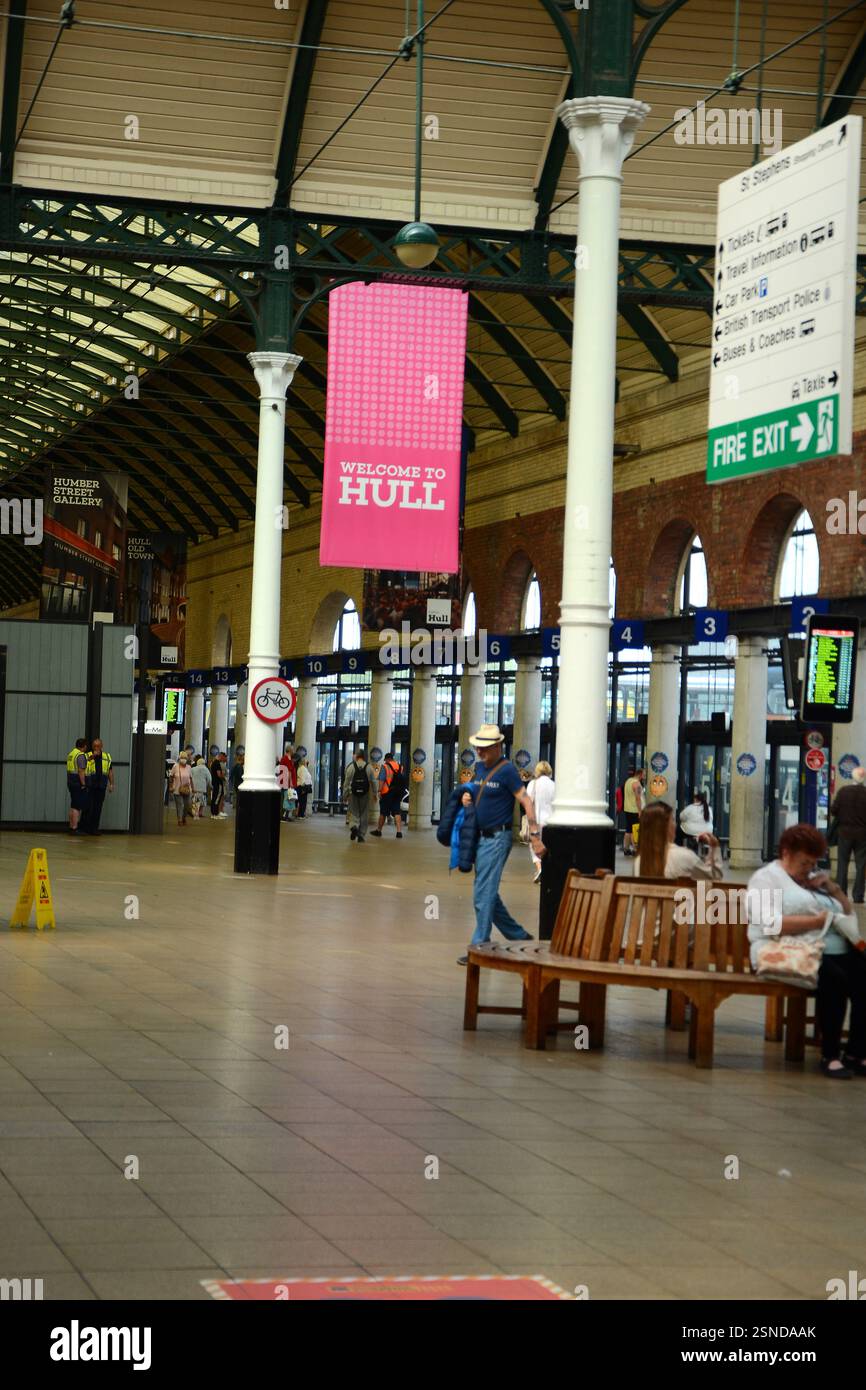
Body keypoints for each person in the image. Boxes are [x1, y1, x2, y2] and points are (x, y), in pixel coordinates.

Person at [747, 823, 866, 1078]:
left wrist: (834, 890)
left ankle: (856, 1051)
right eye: (804, 863)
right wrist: (815, 922)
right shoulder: (766, 879)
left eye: (813, 863)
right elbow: (768, 924)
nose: (808, 869)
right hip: (782, 948)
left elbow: (847, 914)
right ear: (786, 853)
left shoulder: (814, 881)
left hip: (824, 947)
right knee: (835, 979)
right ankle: (830, 1054)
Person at [456, 723, 545, 966]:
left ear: (497, 746)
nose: (479, 751)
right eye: (477, 747)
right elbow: (475, 792)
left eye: (484, 747)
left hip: (498, 838)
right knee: (487, 892)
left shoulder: (507, 771)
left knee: (482, 893)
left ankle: (480, 946)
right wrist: (467, 797)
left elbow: (526, 801)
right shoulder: (479, 768)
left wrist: (535, 836)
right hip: (480, 837)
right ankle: (518, 935)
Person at [635, 800, 723, 880]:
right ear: (666, 827)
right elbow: (715, 877)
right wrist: (714, 848)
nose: (675, 824)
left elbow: (682, 816)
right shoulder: (685, 856)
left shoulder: (638, 862)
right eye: (673, 820)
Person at [830, 764, 866, 903]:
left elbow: (834, 810)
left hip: (844, 833)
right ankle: (858, 896)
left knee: (842, 863)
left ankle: (841, 893)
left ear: (852, 777)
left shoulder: (843, 791)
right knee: (861, 865)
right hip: (862, 835)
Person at [526, 760, 554, 883]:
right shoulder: (554, 785)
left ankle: (540, 868)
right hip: (550, 821)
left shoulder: (533, 784)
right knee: (547, 846)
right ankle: (546, 870)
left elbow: (528, 802)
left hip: (536, 820)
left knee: (534, 845)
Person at [80, 738, 114, 835]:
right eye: (94, 746)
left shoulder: (107, 756)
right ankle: (84, 828)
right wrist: (92, 757)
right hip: (89, 786)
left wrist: (111, 784)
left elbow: (110, 771)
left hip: (101, 786)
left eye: (98, 746)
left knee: (98, 808)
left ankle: (94, 829)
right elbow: (81, 767)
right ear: (92, 746)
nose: (96, 748)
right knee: (87, 807)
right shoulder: (87, 755)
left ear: (102, 746)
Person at [342, 749, 377, 843]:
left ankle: (354, 826)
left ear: (357, 756)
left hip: (353, 793)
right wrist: (375, 793)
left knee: (354, 811)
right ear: (364, 757)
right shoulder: (369, 767)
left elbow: (346, 783)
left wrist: (345, 795)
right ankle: (361, 834)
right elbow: (374, 782)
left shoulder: (351, 767)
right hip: (365, 793)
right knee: (364, 813)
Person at [371, 752, 406, 838]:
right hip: (397, 792)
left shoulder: (385, 766)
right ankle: (399, 832)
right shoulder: (399, 766)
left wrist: (379, 791)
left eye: (385, 760)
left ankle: (379, 831)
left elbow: (382, 780)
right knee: (397, 811)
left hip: (387, 792)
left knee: (383, 812)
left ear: (387, 759)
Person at [66, 737, 88, 833]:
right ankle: (75, 828)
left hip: (71, 782)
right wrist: (83, 784)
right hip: (77, 782)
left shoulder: (71, 754)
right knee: (77, 807)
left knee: (73, 805)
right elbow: (81, 770)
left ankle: (71, 826)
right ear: (84, 746)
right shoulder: (80, 755)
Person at [622, 767, 645, 857]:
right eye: (644, 774)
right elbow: (638, 798)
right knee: (635, 830)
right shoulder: (637, 784)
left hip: (627, 809)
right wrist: (640, 811)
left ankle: (626, 849)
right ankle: (635, 850)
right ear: (640, 774)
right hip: (635, 810)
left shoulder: (628, 781)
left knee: (628, 829)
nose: (645, 776)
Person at [169, 752, 193, 825]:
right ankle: (179, 820)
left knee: (187, 805)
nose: (183, 759)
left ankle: (183, 817)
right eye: (182, 758)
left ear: (187, 759)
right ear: (179, 758)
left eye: (185, 758)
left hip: (187, 789)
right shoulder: (175, 766)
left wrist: (193, 788)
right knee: (180, 805)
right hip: (177, 789)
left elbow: (191, 778)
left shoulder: (189, 767)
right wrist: (171, 786)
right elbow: (171, 776)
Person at [210, 748, 226, 818]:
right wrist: (224, 777)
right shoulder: (217, 763)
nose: (224, 759)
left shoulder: (213, 763)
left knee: (214, 797)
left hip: (214, 783)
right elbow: (219, 774)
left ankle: (213, 813)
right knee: (217, 798)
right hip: (218, 783)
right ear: (221, 756)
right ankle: (215, 814)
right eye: (224, 757)